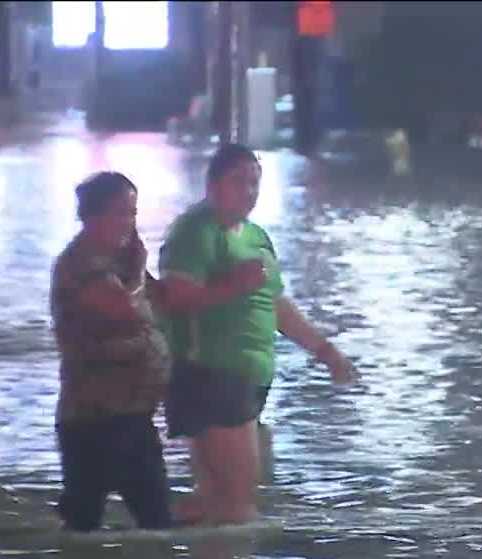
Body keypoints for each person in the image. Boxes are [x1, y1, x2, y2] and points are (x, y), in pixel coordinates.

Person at [158, 143, 354, 526]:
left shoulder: (257, 237)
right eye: (238, 181)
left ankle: (155, 533)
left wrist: (326, 351)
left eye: (254, 182)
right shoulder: (196, 231)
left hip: (249, 378)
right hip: (211, 374)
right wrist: (233, 285)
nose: (249, 191)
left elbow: (276, 305)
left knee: (217, 500)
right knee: (239, 505)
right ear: (212, 185)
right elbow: (175, 298)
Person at [50, 172, 172, 532]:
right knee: (83, 527)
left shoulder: (124, 262)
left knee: (158, 525)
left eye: (132, 213)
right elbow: (122, 306)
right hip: (92, 419)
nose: (128, 223)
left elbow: (164, 301)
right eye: (121, 213)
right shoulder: (79, 263)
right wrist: (139, 268)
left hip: (134, 414)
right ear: (92, 215)